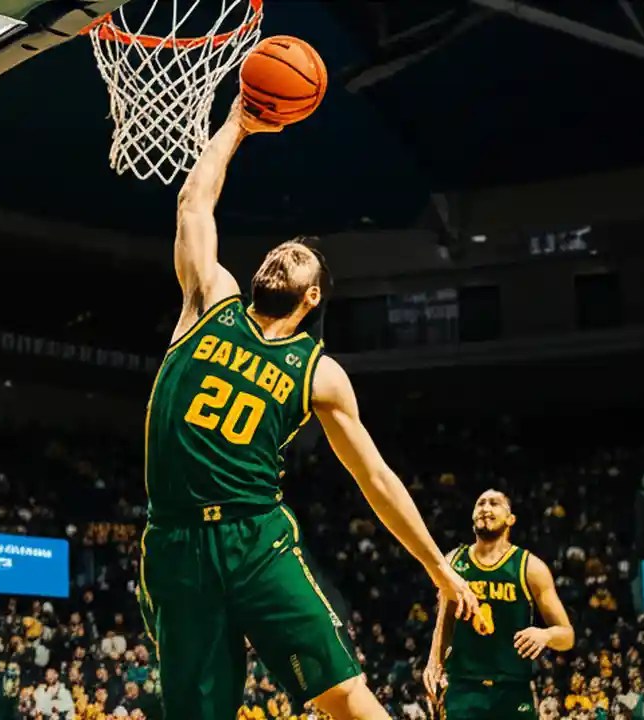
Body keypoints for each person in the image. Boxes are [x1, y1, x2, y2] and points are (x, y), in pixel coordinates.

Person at [140, 96, 479, 720]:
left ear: (312, 293)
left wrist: (438, 568)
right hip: (176, 543)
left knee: (343, 694)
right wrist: (239, 124)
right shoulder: (210, 302)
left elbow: (374, 478)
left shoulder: (319, 372)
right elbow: (194, 204)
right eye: (276, 253)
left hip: (256, 539)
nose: (278, 256)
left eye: (295, 259)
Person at [423, 489, 575, 718]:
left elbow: (567, 636)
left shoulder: (530, 568)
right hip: (464, 687)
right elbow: (444, 620)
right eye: (480, 503)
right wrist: (434, 660)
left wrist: (545, 635)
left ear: (510, 519)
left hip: (512, 688)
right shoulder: (453, 561)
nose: (485, 508)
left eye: (494, 503)